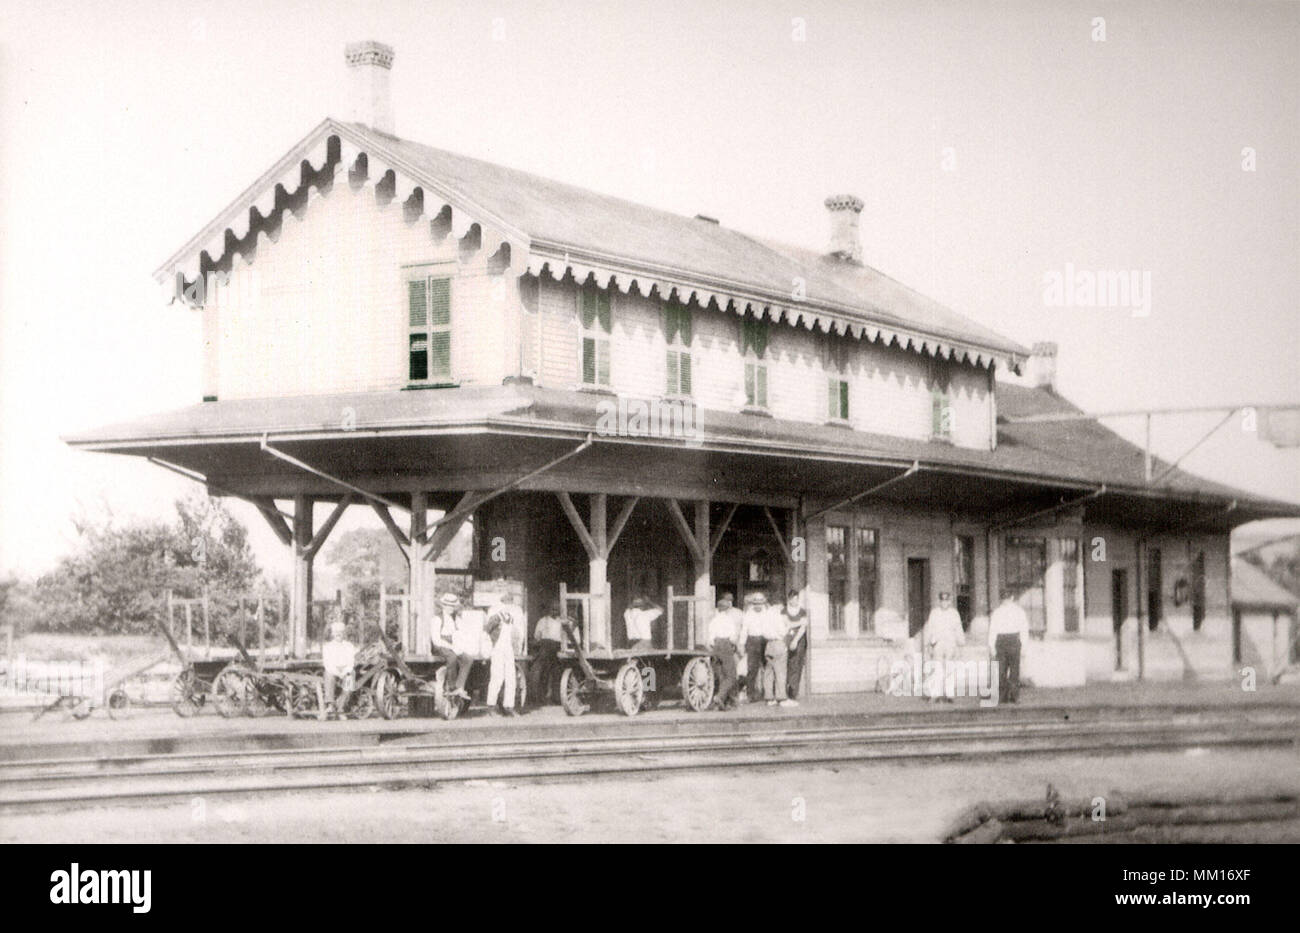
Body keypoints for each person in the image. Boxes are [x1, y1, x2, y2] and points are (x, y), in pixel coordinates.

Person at [987, 591, 1030, 704]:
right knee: (1001, 670)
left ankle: (1015, 696)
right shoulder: (997, 612)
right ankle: (1002, 696)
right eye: (1003, 598)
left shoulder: (1019, 611)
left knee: (1014, 670)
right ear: (1001, 599)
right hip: (1000, 641)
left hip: (1014, 640)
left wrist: (1024, 646)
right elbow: (993, 630)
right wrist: (992, 646)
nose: (1005, 600)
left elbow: (1024, 629)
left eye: (1007, 598)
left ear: (1012, 597)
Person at [485, 593, 523, 716]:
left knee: (511, 677)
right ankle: (491, 706)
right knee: (497, 677)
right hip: (497, 648)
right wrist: (489, 647)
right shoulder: (496, 616)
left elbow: (515, 633)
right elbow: (486, 631)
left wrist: (517, 646)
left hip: (508, 649)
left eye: (510, 603)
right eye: (506, 603)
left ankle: (509, 706)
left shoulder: (511, 617)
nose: (508, 606)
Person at [924, 591, 965, 703]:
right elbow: (930, 629)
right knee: (937, 668)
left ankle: (949, 694)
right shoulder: (934, 613)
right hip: (938, 643)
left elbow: (958, 629)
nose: (944, 603)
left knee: (950, 668)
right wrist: (928, 644)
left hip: (950, 643)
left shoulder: (954, 613)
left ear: (950, 601)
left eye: (947, 601)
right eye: (942, 601)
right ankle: (935, 694)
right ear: (939, 601)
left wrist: (960, 644)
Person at [430, 592, 473, 701]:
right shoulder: (437, 619)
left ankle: (459, 686)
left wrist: (460, 646)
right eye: (449, 606)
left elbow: (462, 632)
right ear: (443, 606)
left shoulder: (455, 618)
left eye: (453, 606)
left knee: (468, 659)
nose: (451, 608)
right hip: (440, 645)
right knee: (452, 657)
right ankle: (451, 686)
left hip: (453, 644)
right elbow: (436, 640)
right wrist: (452, 647)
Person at [708, 593, 745, 710]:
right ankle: (719, 697)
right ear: (727, 608)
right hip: (725, 645)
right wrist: (734, 647)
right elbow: (733, 638)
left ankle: (722, 703)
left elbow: (710, 639)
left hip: (715, 647)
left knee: (721, 676)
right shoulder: (728, 620)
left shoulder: (713, 621)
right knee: (731, 676)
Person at [530, 600, 567, 706]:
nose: (555, 611)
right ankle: (540, 697)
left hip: (558, 647)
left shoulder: (562, 622)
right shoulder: (543, 621)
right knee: (542, 672)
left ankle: (556, 698)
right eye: (553, 609)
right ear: (549, 609)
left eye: (557, 609)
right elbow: (537, 636)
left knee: (557, 672)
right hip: (545, 647)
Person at [321, 619, 356, 719]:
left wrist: (345, 671)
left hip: (346, 669)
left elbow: (351, 662)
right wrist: (336, 672)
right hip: (332, 669)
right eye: (336, 632)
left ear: (344, 633)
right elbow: (327, 663)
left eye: (340, 632)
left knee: (350, 678)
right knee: (328, 675)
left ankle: (340, 709)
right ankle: (330, 705)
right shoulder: (328, 647)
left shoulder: (349, 646)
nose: (338, 634)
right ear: (332, 634)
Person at [742, 592, 770, 703]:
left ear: (763, 603)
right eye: (756, 603)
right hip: (752, 641)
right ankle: (750, 695)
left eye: (760, 603)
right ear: (753, 604)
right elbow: (744, 629)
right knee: (752, 669)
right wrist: (741, 643)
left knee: (766, 667)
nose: (758, 605)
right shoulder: (748, 614)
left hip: (765, 640)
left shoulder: (767, 613)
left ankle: (766, 693)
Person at [762, 599, 790, 706]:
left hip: (769, 644)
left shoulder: (766, 615)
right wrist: (787, 626)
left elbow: (763, 632)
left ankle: (769, 697)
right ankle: (781, 697)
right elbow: (782, 631)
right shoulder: (778, 615)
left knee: (769, 672)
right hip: (778, 643)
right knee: (780, 671)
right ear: (779, 604)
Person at [783, 590, 808, 704]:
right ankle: (786, 690)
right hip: (787, 639)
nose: (795, 601)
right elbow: (785, 624)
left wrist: (795, 641)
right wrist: (798, 623)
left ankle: (794, 692)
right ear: (789, 599)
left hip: (799, 640)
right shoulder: (784, 611)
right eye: (792, 599)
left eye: (796, 599)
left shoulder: (802, 611)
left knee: (797, 664)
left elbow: (803, 628)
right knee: (788, 664)